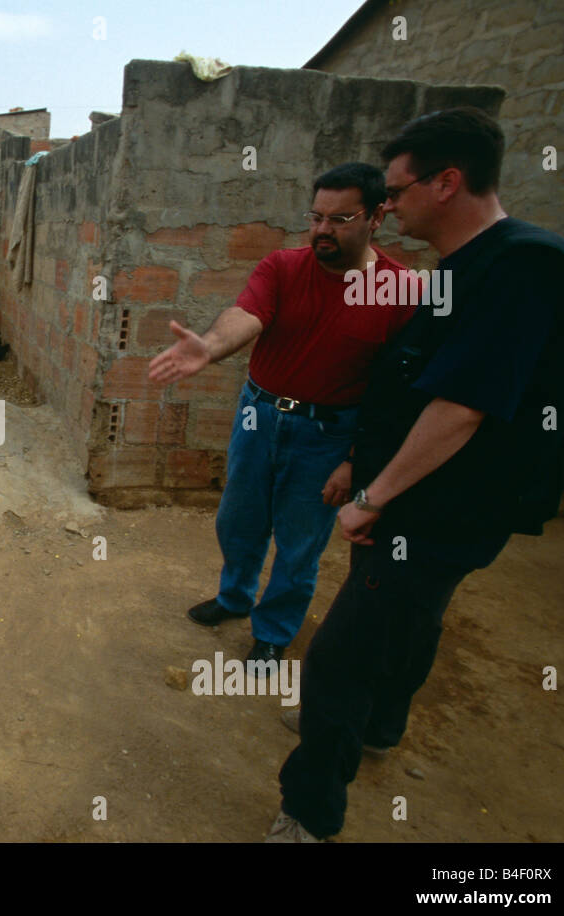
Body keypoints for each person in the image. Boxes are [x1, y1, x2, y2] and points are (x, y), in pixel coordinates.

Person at [269, 107, 564, 842]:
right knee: (410, 621)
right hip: (418, 497)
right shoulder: (463, 267)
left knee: (339, 656)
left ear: (447, 182)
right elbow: (408, 385)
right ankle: (380, 726)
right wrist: (363, 463)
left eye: (395, 191)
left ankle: (310, 813)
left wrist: (374, 496)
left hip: (438, 506)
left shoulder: (523, 265)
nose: (387, 208)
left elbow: (462, 405)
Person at [150, 163, 416, 669]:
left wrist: (356, 459)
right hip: (260, 416)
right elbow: (247, 315)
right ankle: (234, 597)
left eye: (339, 219)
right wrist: (210, 346)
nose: (322, 230)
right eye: (316, 217)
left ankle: (273, 632)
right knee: (238, 521)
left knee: (299, 542)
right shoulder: (282, 267)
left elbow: (394, 394)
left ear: (376, 217)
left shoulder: (400, 291)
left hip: (330, 434)